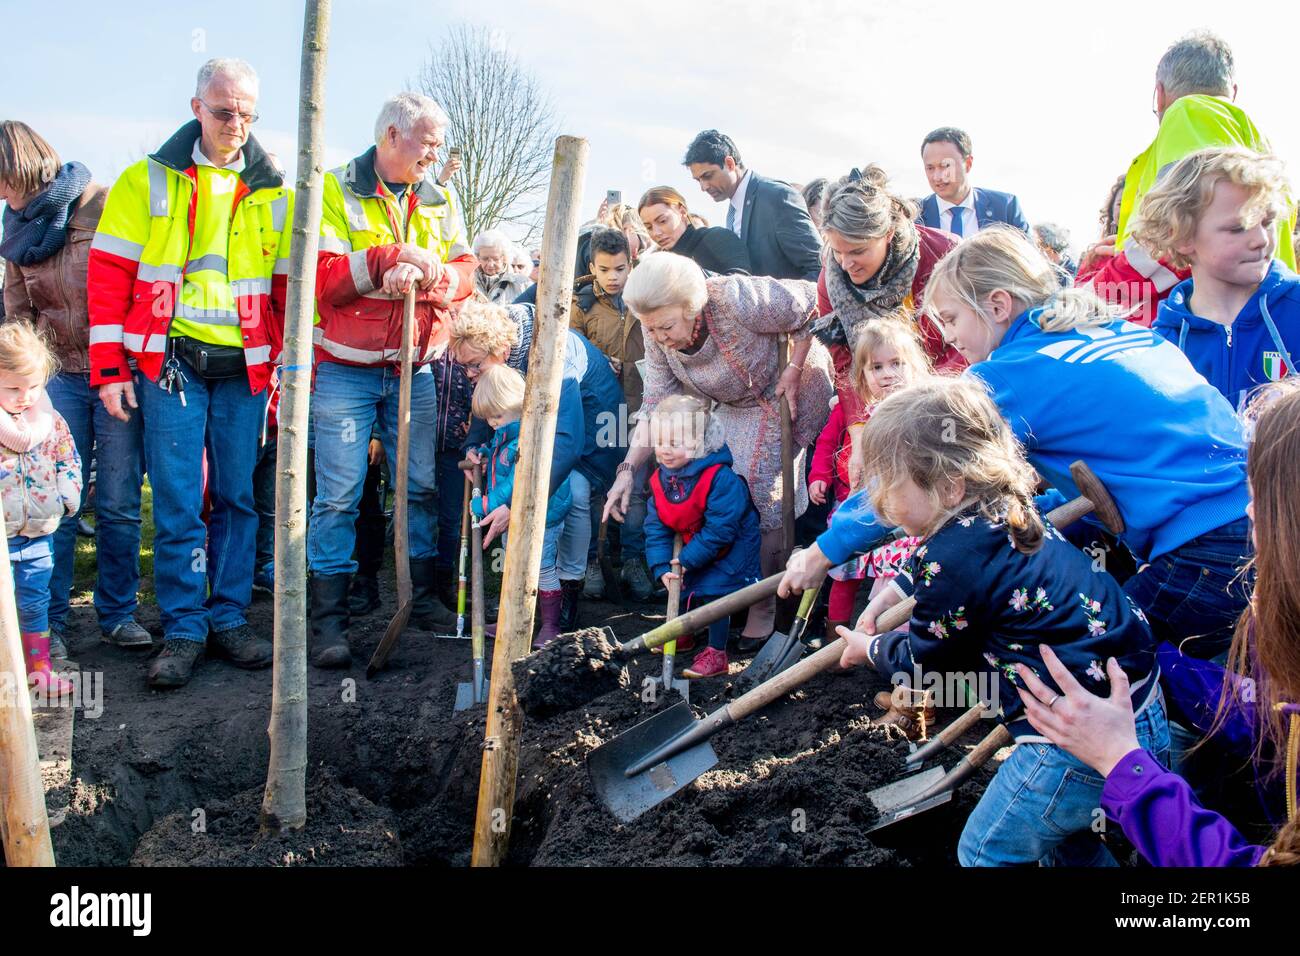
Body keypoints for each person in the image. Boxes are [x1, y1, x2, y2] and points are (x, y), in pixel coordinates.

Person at [837, 376, 1164, 866]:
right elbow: (958, 564)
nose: (877, 498)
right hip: (1141, 710)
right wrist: (902, 586)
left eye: (887, 481)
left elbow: (927, 665)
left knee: (984, 851)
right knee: (1065, 840)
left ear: (950, 487)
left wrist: (871, 650)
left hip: (1069, 746)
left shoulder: (950, 561)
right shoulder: (1007, 508)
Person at [1018, 381, 1300, 866]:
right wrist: (1159, 662)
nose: (1248, 512)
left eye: (1259, 499)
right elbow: (1268, 718)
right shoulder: (1275, 627)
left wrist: (1122, 761)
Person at [88, 58, 292, 688]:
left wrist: (282, 361)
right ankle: (184, 626)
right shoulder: (145, 181)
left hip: (245, 371)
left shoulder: (277, 191)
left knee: (236, 496)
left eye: (248, 114)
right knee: (179, 500)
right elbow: (108, 278)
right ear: (197, 107)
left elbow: (287, 288)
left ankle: (228, 616)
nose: (237, 125)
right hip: (171, 364)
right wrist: (109, 371)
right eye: (225, 111)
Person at [308, 91, 476, 668]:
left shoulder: (441, 197)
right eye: (427, 142)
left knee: (420, 486)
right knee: (339, 495)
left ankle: (420, 594)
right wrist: (387, 258)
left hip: (415, 368)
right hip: (345, 373)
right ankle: (330, 618)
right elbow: (325, 281)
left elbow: (465, 271)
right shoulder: (334, 190)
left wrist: (427, 279)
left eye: (437, 143)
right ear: (390, 137)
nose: (435, 153)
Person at [609, 252, 833, 642]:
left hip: (787, 390)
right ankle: (735, 593)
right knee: (724, 488)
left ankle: (765, 608)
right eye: (652, 329)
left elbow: (810, 301)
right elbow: (656, 401)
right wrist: (628, 470)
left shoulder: (733, 298)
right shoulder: (655, 325)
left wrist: (794, 369)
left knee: (761, 489)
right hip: (733, 404)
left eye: (666, 326)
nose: (660, 338)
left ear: (691, 306)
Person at [1, 121, 147, 659]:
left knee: (119, 498)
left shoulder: (103, 204)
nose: (1, 195)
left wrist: (128, 358)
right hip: (54, 377)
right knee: (50, 499)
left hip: (115, 371)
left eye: (3, 180)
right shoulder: (15, 228)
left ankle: (118, 613)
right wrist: (23, 380)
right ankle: (51, 622)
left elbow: (133, 282)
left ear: (21, 165)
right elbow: (17, 314)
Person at [1081, 31, 1297, 328]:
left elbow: (1173, 237)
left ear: (1159, 94)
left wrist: (1092, 293)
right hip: (1263, 322)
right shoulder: (1258, 143)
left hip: (1209, 330)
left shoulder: (1189, 113)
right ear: (1233, 91)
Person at [450, 298, 624, 630]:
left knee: (572, 490)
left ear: (502, 350)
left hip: (594, 425)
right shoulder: (501, 343)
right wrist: (475, 444)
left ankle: (568, 592)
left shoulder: (550, 350)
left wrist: (518, 503)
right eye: (464, 367)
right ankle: (524, 602)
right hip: (547, 425)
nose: (470, 374)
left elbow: (566, 445)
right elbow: (491, 395)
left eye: (475, 365)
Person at [1133, 147, 1299, 409]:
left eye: (1267, 222)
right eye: (1239, 228)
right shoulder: (1162, 345)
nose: (1261, 239)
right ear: (1182, 236)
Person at [808, 316, 929, 645]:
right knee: (887, 601)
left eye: (896, 364)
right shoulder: (874, 416)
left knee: (902, 603)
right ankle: (886, 664)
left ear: (914, 365)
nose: (888, 374)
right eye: (876, 368)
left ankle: (909, 679)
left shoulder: (919, 413)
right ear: (862, 376)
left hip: (911, 529)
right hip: (882, 519)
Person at [813, 165, 963, 423]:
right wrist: (858, 429)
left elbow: (969, 345)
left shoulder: (945, 256)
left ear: (888, 234)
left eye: (858, 251)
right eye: (838, 251)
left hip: (950, 397)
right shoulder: (831, 278)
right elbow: (847, 365)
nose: (847, 264)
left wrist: (920, 397)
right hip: (880, 405)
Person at [644, 395, 761, 679]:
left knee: (714, 593)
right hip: (693, 542)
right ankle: (682, 632)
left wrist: (685, 560)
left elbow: (721, 530)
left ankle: (716, 652)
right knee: (679, 585)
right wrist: (664, 567)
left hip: (730, 546)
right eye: (661, 443)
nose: (665, 451)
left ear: (699, 443)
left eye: (676, 443)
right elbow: (656, 527)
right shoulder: (662, 480)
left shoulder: (720, 478)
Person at [567, 227, 651, 599]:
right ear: (592, 267)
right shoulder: (581, 307)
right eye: (605, 270)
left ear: (631, 264)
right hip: (598, 413)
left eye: (620, 268)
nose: (613, 277)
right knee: (596, 487)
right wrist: (599, 361)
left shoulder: (645, 299)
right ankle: (592, 562)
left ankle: (633, 561)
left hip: (639, 408)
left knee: (636, 489)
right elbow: (569, 354)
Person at [0, 322, 81, 697]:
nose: (24, 397)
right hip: (3, 537)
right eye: (12, 388)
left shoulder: (49, 422)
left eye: (33, 386)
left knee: (35, 603)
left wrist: (68, 490)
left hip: (37, 534)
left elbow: (68, 458)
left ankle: (39, 670)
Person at [469, 364, 571, 648]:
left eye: (497, 416)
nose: (491, 423)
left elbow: (515, 482)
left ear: (518, 406)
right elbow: (501, 463)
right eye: (487, 418)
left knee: (540, 568)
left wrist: (487, 503)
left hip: (544, 518)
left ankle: (551, 625)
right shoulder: (505, 435)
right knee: (512, 564)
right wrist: (486, 453)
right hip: (514, 517)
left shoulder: (525, 440)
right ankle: (512, 618)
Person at [682, 130, 822, 281]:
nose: (703, 187)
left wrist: (784, 302)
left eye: (708, 176)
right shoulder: (732, 212)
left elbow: (818, 268)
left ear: (729, 163)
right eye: (698, 180)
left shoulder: (777, 196)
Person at [916, 127, 1029, 237]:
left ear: (968, 164)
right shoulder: (915, 217)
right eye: (930, 168)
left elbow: (1028, 255)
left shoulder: (1005, 208)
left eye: (946, 166)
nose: (937, 177)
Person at [637, 186, 750, 275]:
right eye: (649, 227)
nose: (656, 233)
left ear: (682, 212)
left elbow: (743, 287)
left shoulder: (717, 238)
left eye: (662, 221)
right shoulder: (658, 262)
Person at [473, 229, 529, 304]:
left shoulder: (522, 283)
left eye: (496, 259)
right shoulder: (469, 281)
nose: (490, 264)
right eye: (485, 259)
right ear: (478, 257)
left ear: (505, 258)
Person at [1032, 222, 1077, 286]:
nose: (1035, 249)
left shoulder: (1069, 277)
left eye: (1038, 244)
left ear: (1048, 245)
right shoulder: (1045, 267)